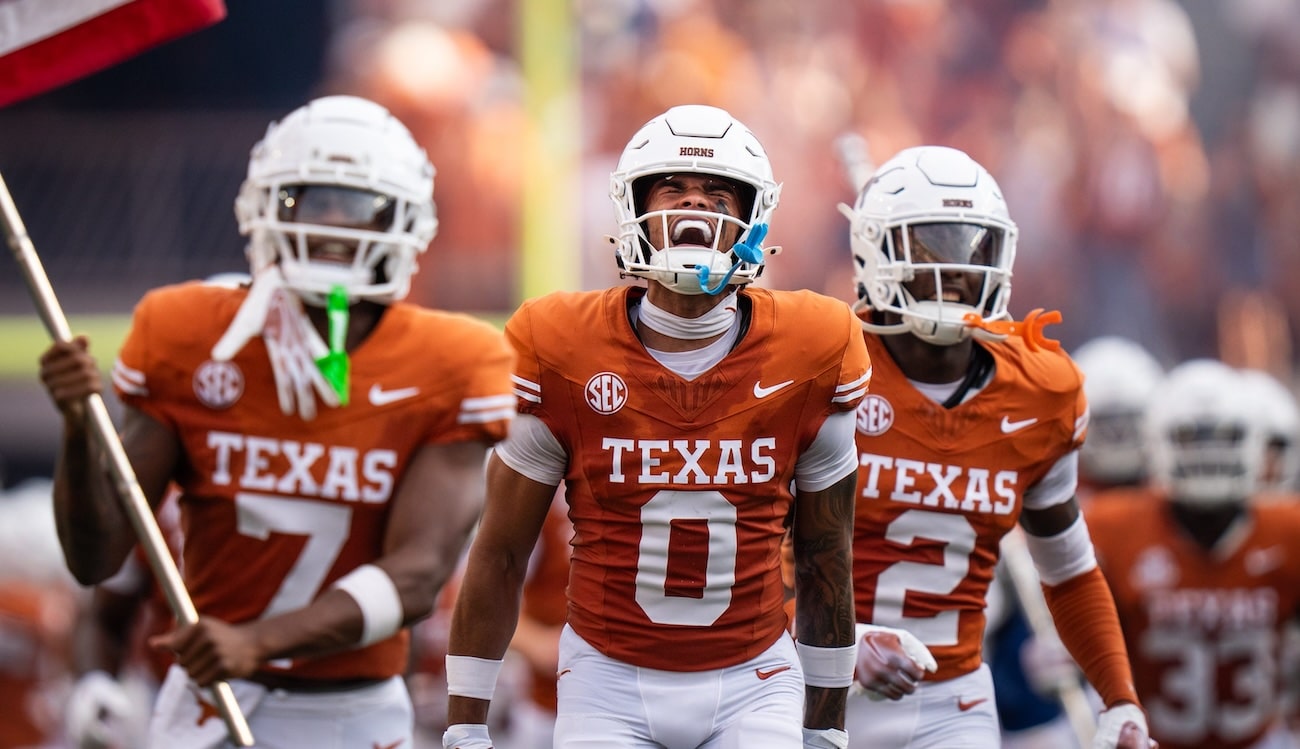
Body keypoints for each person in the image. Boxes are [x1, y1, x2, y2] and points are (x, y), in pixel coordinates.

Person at [37, 95, 516, 748]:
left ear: (408, 220)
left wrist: (255, 641)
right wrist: (76, 430)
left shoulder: (453, 359)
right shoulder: (184, 333)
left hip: (352, 713)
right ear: (262, 206)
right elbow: (95, 559)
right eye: (310, 201)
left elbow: (417, 576)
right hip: (205, 709)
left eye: (358, 206)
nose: (334, 227)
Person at [442, 103, 873, 749]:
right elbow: (501, 550)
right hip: (606, 678)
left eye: (718, 192)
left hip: (754, 677)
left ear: (750, 221)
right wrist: (465, 723)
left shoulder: (814, 344)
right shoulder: (560, 344)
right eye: (672, 187)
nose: (695, 206)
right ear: (633, 206)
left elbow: (824, 557)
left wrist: (827, 726)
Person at [839, 144, 1155, 748]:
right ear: (874, 251)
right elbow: (748, 551)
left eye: (970, 247)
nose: (954, 270)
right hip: (813, 686)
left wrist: (1119, 698)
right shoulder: (826, 365)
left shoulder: (1040, 391)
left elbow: (1069, 568)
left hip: (952, 703)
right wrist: (836, 644)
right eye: (930, 247)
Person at [1086, 359, 1300, 749]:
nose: (1208, 454)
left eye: (1225, 438)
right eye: (1191, 439)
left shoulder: (1288, 531)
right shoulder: (1114, 527)